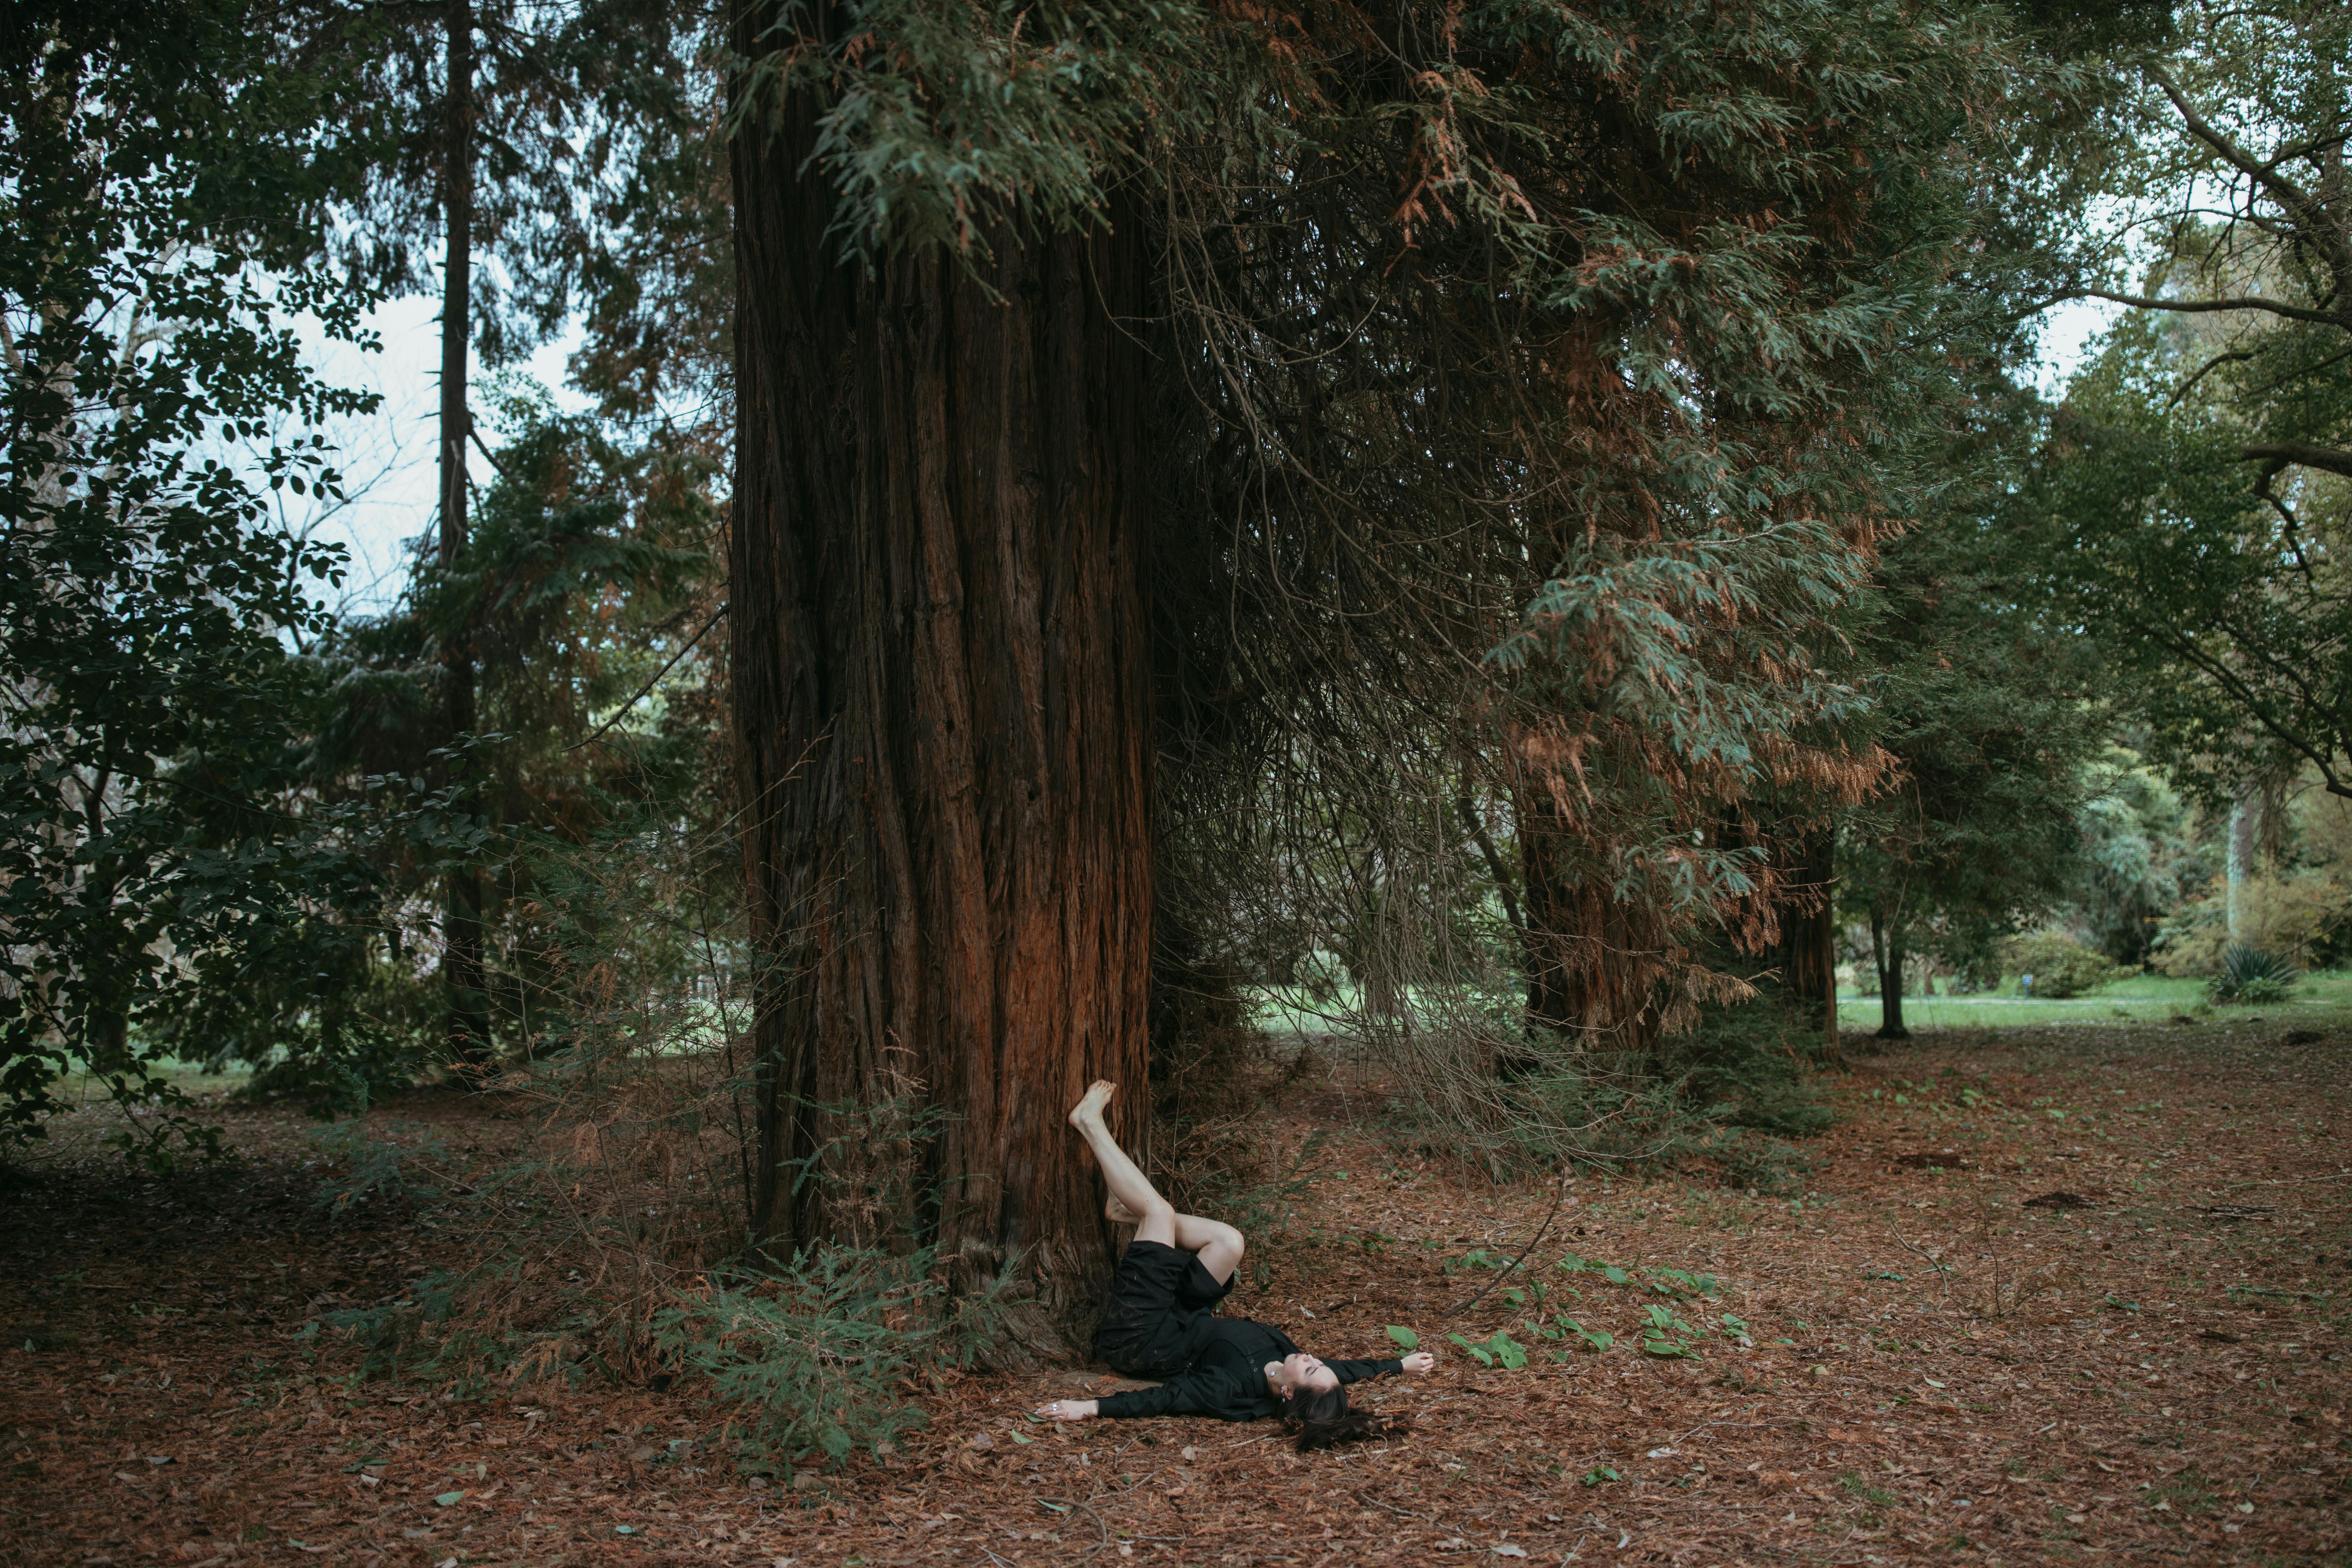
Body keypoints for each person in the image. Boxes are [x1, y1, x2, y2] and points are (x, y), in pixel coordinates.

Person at [1034, 1081, 1437, 1450]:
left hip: (1142, 1334)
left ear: (1289, 1395)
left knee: (1160, 1211)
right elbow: (1348, 1371)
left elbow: (1168, 1399)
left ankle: (1088, 1124)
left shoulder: (1232, 1387)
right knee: (1229, 1241)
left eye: (1313, 1369)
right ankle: (1128, 1213)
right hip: (1185, 1314)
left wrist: (1091, 1408)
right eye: (1321, 1364)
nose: (1315, 1358)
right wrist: (1399, 1365)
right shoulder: (1296, 1367)